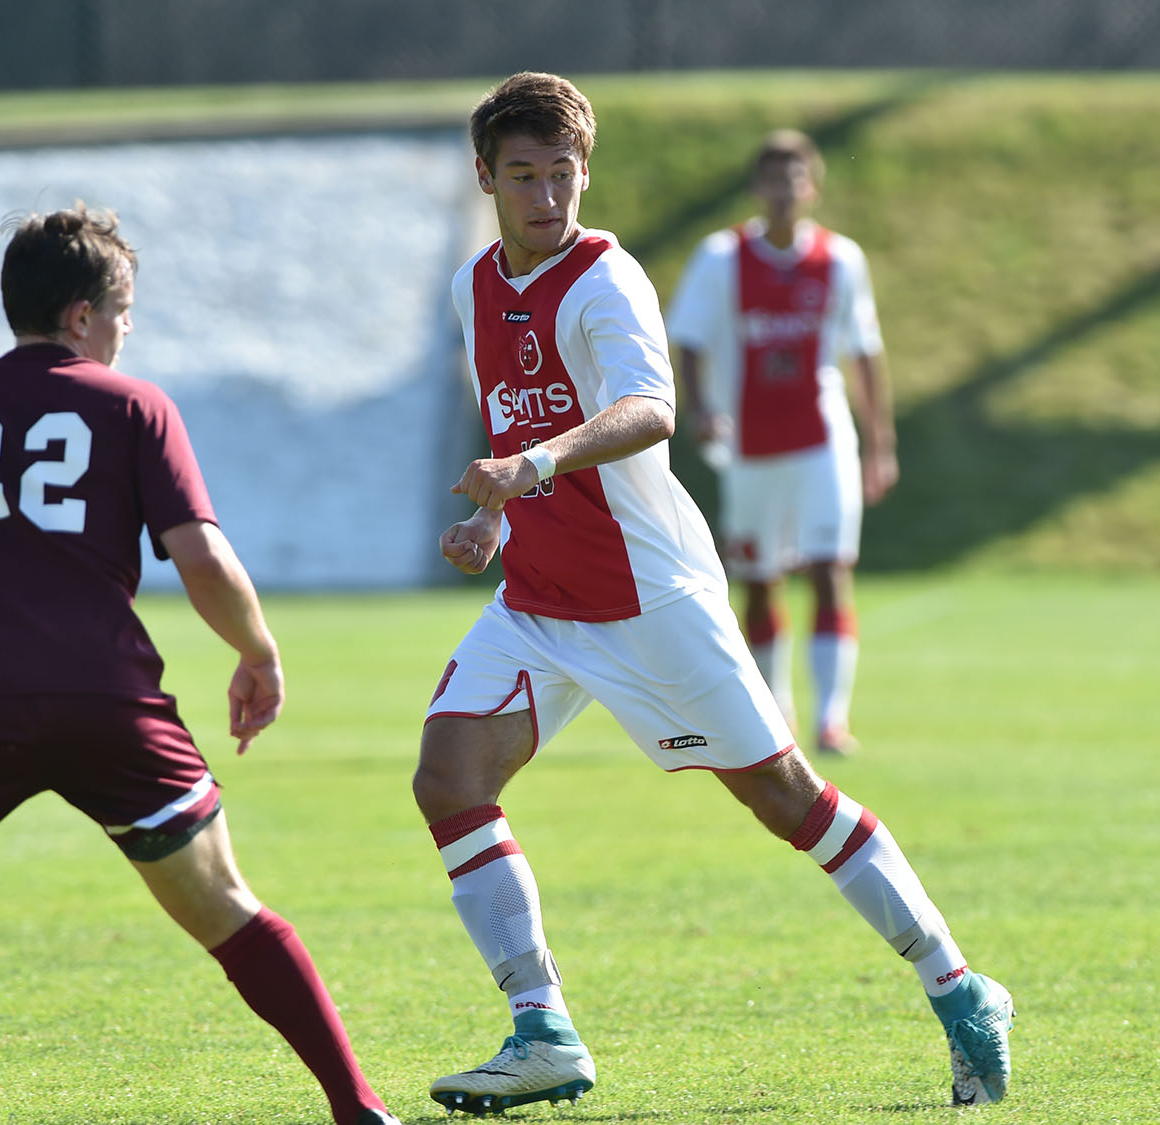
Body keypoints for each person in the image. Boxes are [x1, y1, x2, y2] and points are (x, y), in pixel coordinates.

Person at [415, 72, 1011, 1116]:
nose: (547, 198)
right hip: (539, 603)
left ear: (584, 171)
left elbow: (650, 409)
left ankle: (959, 987)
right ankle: (541, 1029)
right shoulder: (476, 286)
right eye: (522, 178)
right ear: (485, 180)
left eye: (563, 175)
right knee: (447, 780)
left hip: (651, 600)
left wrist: (531, 469)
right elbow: (512, 436)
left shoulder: (606, 282)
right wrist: (493, 517)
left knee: (787, 802)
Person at [0, 204, 399, 1125]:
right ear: (83, 315)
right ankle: (357, 1105)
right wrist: (257, 650)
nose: (128, 332)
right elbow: (200, 556)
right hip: (110, 704)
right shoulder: (134, 406)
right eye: (123, 312)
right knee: (227, 908)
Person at [665, 129, 898, 755]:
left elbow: (866, 353)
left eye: (795, 176)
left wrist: (881, 445)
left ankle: (831, 719)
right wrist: (704, 408)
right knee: (761, 578)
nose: (785, 188)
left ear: (813, 187)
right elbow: (686, 338)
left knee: (829, 570)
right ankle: (777, 716)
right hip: (750, 447)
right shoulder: (720, 258)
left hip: (824, 444)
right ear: (755, 188)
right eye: (773, 176)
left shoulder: (841, 260)